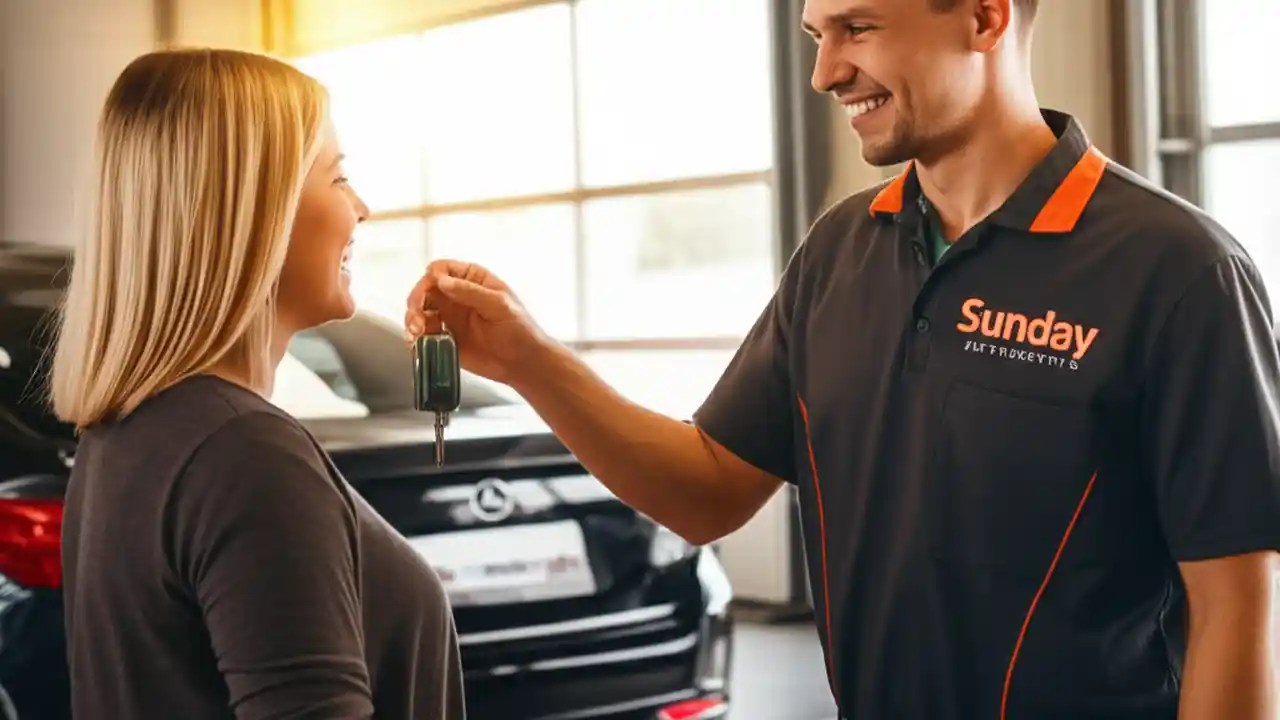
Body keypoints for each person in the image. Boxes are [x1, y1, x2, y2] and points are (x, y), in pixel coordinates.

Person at [404, 0, 1280, 718]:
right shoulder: (839, 253)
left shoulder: (1178, 271)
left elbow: (1237, 603)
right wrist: (528, 360)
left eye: (858, 29)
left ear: (984, 17)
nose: (826, 73)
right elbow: (707, 490)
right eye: (816, 36)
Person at [51, 49, 465, 719]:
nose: (361, 209)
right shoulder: (246, 453)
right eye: (338, 178)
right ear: (252, 210)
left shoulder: (126, 434)